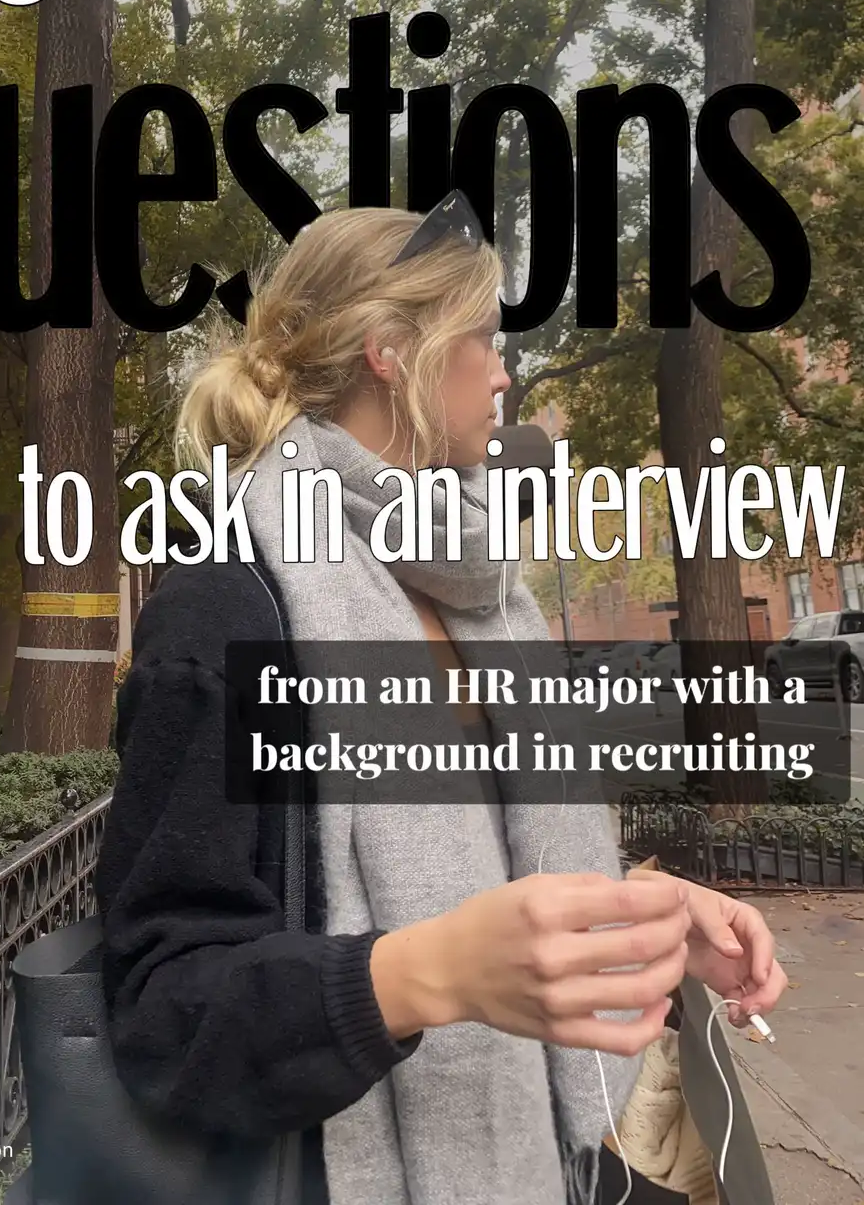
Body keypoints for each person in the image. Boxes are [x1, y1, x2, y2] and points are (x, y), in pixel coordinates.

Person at [95, 195, 787, 1205]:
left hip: (552, 1163)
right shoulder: (228, 606)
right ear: (392, 352)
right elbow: (163, 1011)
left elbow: (505, 866)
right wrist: (428, 976)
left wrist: (645, 924)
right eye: (485, 339)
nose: (505, 372)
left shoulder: (481, 589)